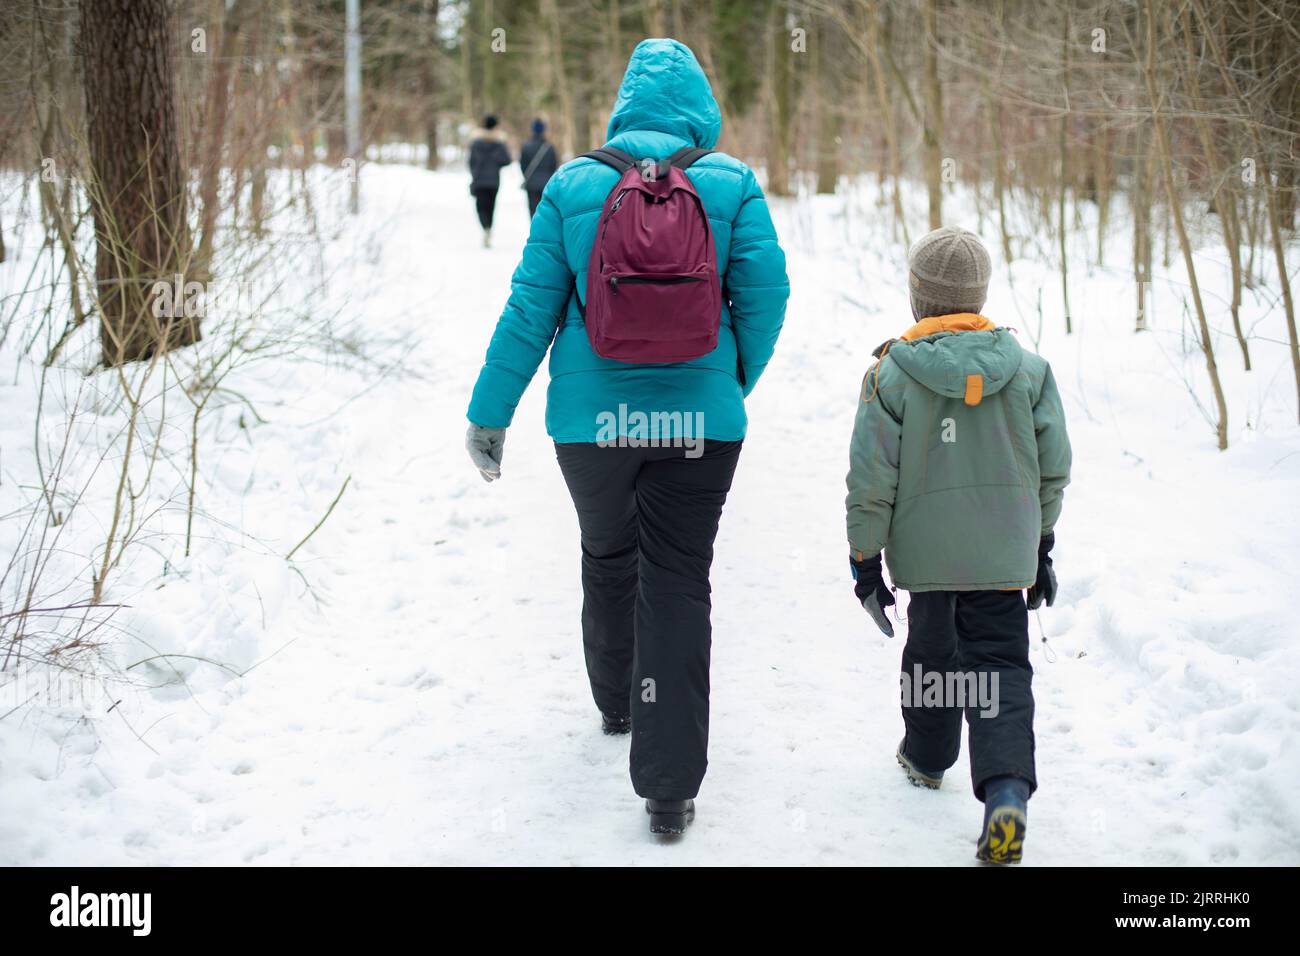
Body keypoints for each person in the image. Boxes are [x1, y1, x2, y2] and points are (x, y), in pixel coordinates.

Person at [465, 39, 788, 836]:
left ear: (623, 103)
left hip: (591, 425)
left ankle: (618, 703)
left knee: (610, 553)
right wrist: (729, 379)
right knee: (678, 579)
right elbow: (769, 294)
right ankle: (670, 787)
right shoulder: (732, 183)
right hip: (699, 426)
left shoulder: (575, 183)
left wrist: (489, 413)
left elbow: (529, 309)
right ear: (700, 107)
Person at [844, 226, 1071, 864]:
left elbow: (870, 480)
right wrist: (1039, 541)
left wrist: (866, 562)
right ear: (980, 295)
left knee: (933, 660)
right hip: (1002, 561)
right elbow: (1053, 469)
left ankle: (926, 757)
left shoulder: (892, 375)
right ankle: (1004, 794)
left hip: (928, 564)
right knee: (998, 671)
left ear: (918, 299)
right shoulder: (1028, 371)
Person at [467, 114, 511, 247]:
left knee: (480, 206)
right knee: (491, 206)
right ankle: (488, 228)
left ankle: (485, 227)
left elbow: (471, 161)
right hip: (493, 181)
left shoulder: (476, 143)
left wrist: (474, 172)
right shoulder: (499, 143)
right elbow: (506, 160)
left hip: (479, 179)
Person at [519, 118, 558, 218]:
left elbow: (523, 166)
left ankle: (534, 230)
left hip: (531, 184)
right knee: (546, 211)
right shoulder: (549, 147)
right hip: (546, 183)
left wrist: (528, 177)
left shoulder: (526, 146)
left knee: (533, 210)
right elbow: (554, 166)